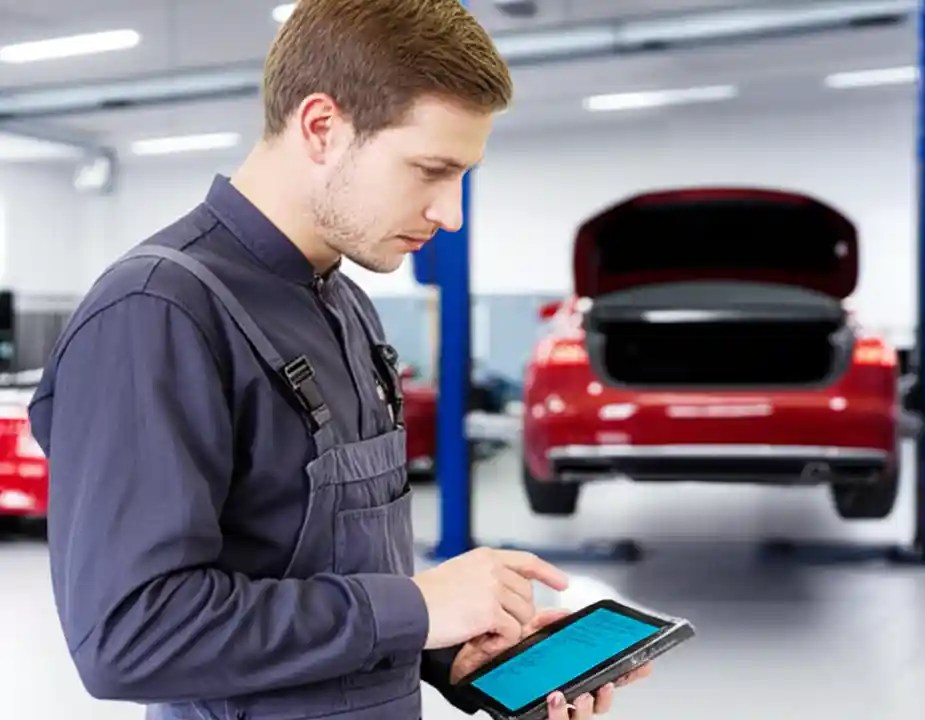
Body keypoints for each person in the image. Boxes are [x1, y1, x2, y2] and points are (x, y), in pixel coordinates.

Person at [26, 1, 652, 718]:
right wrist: (413, 606)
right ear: (322, 127)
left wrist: (451, 652)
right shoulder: (155, 314)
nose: (451, 214)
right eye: (430, 170)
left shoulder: (345, 304)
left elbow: (325, 572)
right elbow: (128, 636)